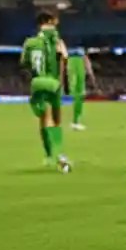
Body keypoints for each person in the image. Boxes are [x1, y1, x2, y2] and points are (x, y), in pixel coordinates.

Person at [21, 12, 72, 173]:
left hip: (37, 82)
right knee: (56, 121)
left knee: (44, 119)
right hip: (54, 83)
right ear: (49, 22)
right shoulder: (56, 40)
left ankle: (49, 155)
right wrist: (65, 84)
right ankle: (60, 155)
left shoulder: (30, 42)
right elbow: (65, 59)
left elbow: (24, 63)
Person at [67, 47, 95, 130]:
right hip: (77, 64)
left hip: (70, 62)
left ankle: (75, 122)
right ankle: (75, 122)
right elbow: (86, 61)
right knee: (79, 95)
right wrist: (91, 74)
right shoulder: (81, 55)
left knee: (77, 94)